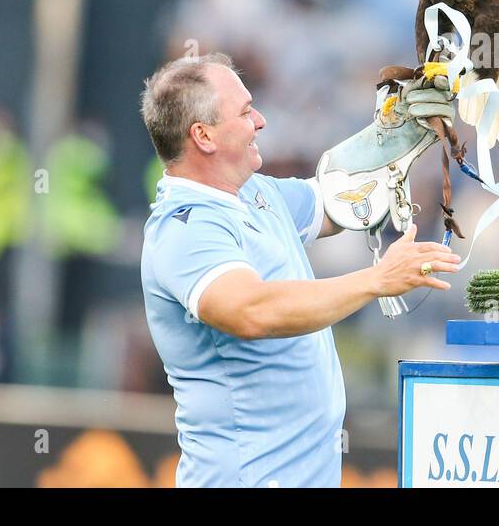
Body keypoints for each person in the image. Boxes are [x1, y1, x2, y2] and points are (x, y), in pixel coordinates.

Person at [138, 52, 457, 487]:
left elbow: (338, 199)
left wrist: (399, 124)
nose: (262, 121)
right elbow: (250, 311)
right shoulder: (185, 227)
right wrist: (375, 281)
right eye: (246, 111)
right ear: (204, 136)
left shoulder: (254, 193)